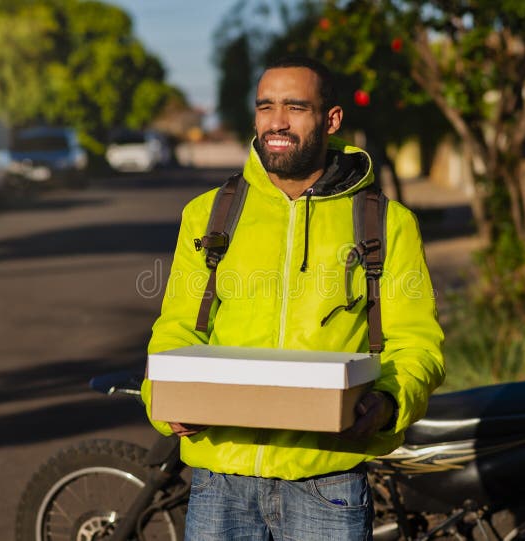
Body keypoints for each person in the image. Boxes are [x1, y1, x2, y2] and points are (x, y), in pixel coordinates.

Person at [141, 56, 444, 540]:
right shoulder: (210, 216)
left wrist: (386, 402)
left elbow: (417, 345)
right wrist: (164, 398)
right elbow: (177, 327)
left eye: (295, 107)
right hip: (221, 479)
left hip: (328, 483)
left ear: (331, 119)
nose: (276, 121)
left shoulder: (386, 224)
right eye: (266, 106)